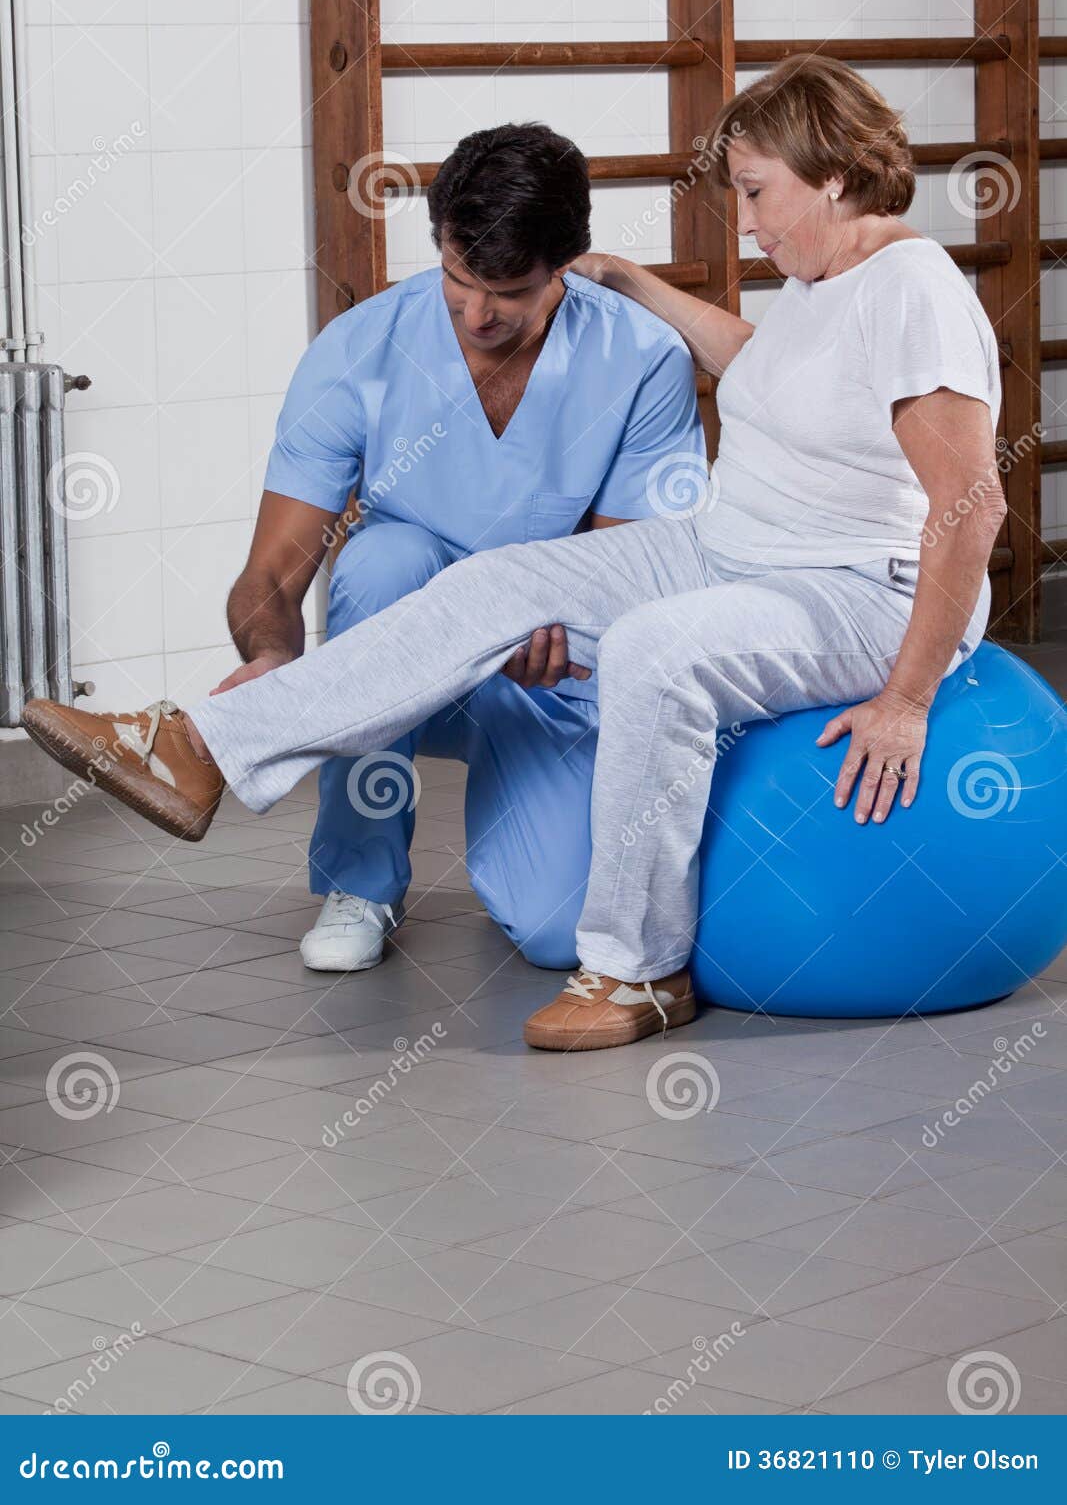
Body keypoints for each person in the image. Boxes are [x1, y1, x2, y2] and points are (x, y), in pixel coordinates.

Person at [23, 55, 1005, 1053]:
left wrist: (907, 697)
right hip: (737, 551)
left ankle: (637, 970)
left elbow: (970, 504)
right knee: (497, 581)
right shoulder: (823, 280)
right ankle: (195, 746)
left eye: (754, 191)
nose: (744, 220)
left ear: (829, 174)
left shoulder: (908, 290)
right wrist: (633, 279)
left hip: (855, 592)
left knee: (654, 650)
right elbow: (773, 372)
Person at [180, 121, 705, 973]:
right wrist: (275, 658)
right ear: (439, 241)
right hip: (389, 665)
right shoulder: (358, 348)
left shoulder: (643, 359)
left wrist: (555, 624)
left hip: (545, 667)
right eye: (459, 278)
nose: (476, 313)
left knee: (557, 934)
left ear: (565, 264)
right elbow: (271, 570)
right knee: (382, 558)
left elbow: (630, 579)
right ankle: (360, 880)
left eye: (510, 292)